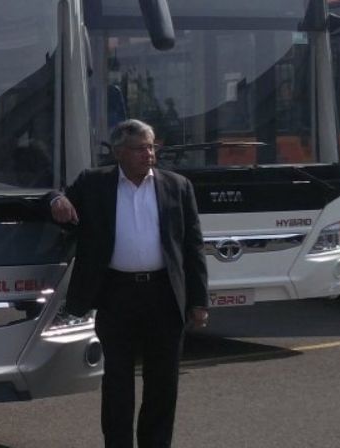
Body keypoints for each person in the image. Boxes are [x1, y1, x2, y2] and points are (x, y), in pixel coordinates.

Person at [48, 119, 208, 448]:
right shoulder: (95, 184)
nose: (148, 154)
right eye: (140, 148)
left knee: (163, 383)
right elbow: (57, 199)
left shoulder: (177, 186)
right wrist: (54, 201)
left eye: (152, 146)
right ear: (119, 152)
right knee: (118, 382)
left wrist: (199, 301)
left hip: (164, 295)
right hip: (116, 294)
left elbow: (193, 246)